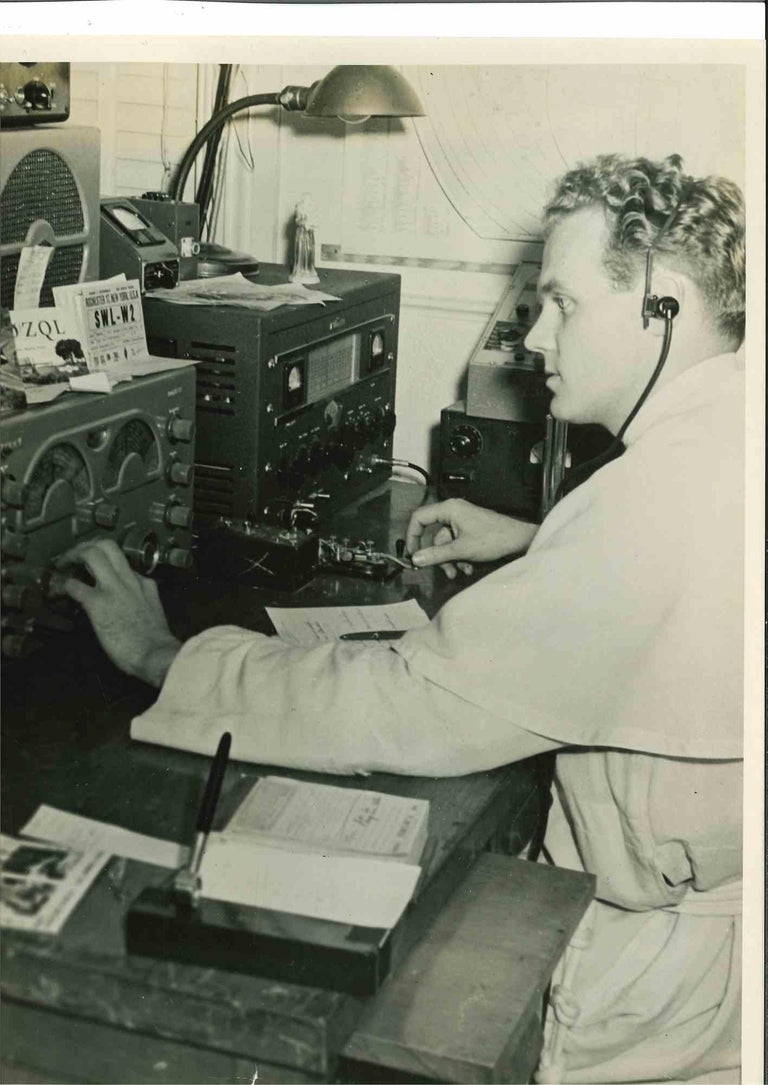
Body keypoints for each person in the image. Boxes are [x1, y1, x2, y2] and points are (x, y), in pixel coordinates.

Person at [56, 153, 745, 1084]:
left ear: (661, 302)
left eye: (563, 303)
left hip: (670, 981)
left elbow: (408, 699)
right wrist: (541, 541)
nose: (537, 336)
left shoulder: (650, 503)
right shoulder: (727, 432)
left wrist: (162, 652)